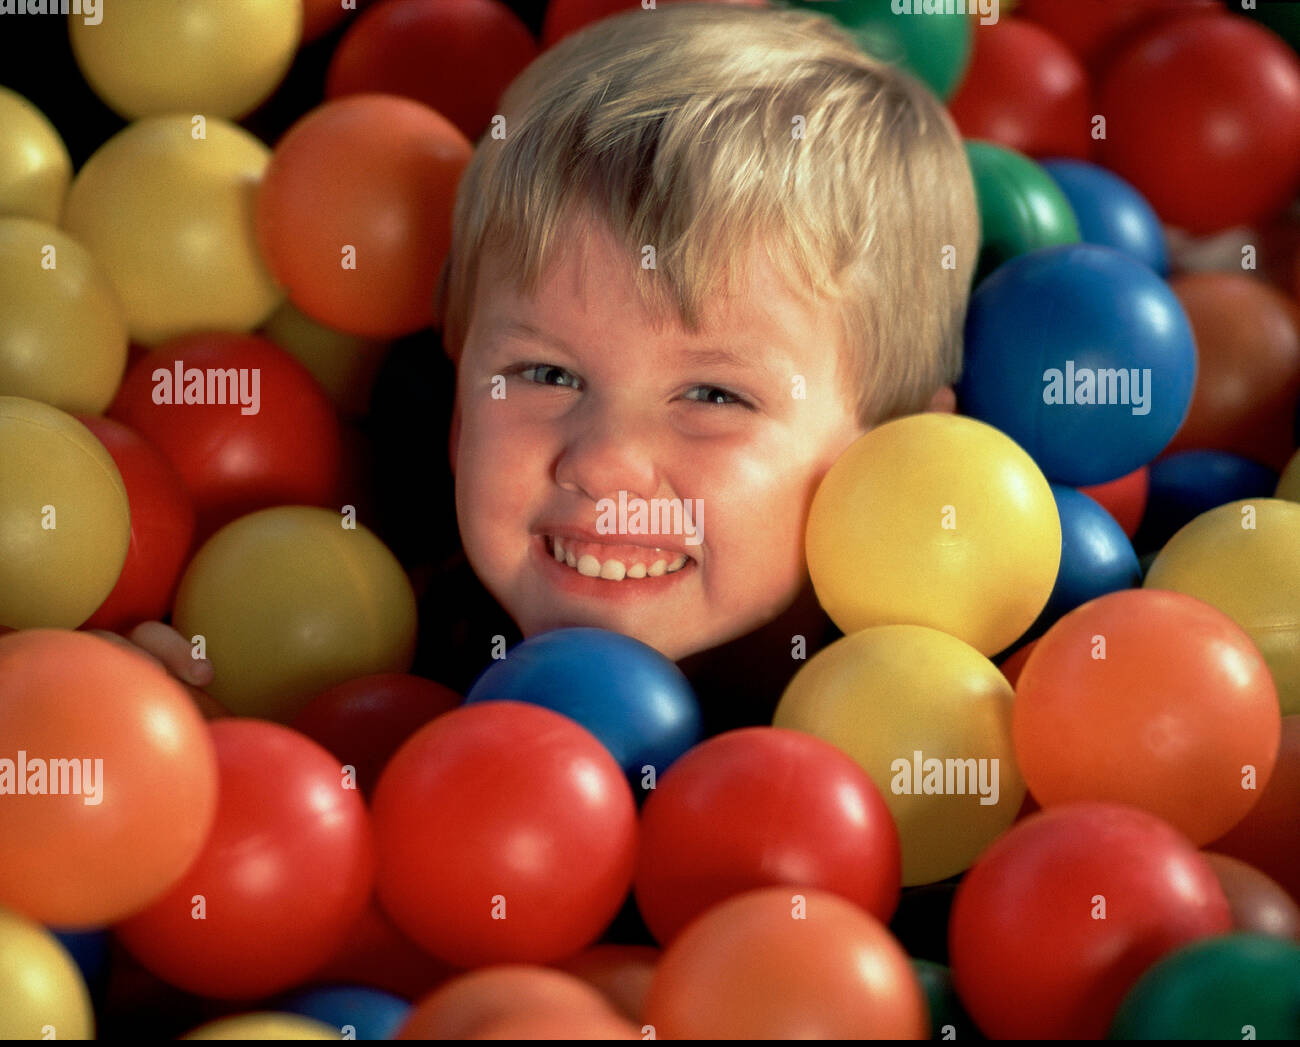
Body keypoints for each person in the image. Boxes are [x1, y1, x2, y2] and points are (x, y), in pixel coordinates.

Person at [104, 4, 978, 735]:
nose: (601, 460)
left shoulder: (931, 738)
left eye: (713, 394)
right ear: (456, 404)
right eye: (545, 374)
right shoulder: (384, 649)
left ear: (899, 457)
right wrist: (198, 741)